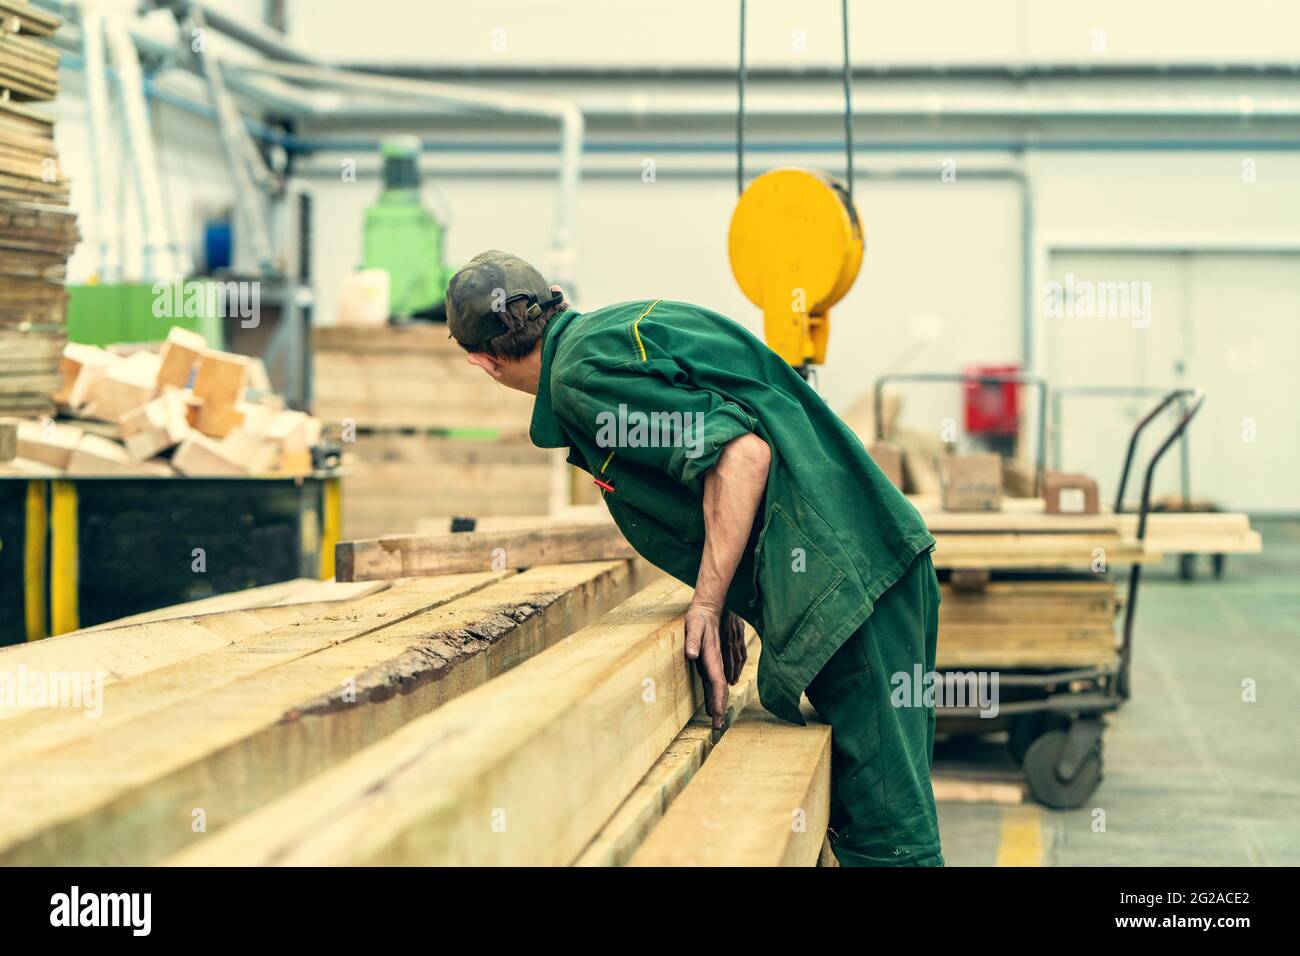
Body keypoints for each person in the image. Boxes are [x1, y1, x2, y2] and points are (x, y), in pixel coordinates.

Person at [446, 249, 943, 866]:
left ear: (482, 361)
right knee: (879, 814)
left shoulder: (580, 378)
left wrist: (709, 601)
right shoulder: (611, 333)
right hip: (865, 570)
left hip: (846, 589)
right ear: (553, 299)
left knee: (888, 838)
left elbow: (740, 456)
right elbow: (713, 459)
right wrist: (725, 579)